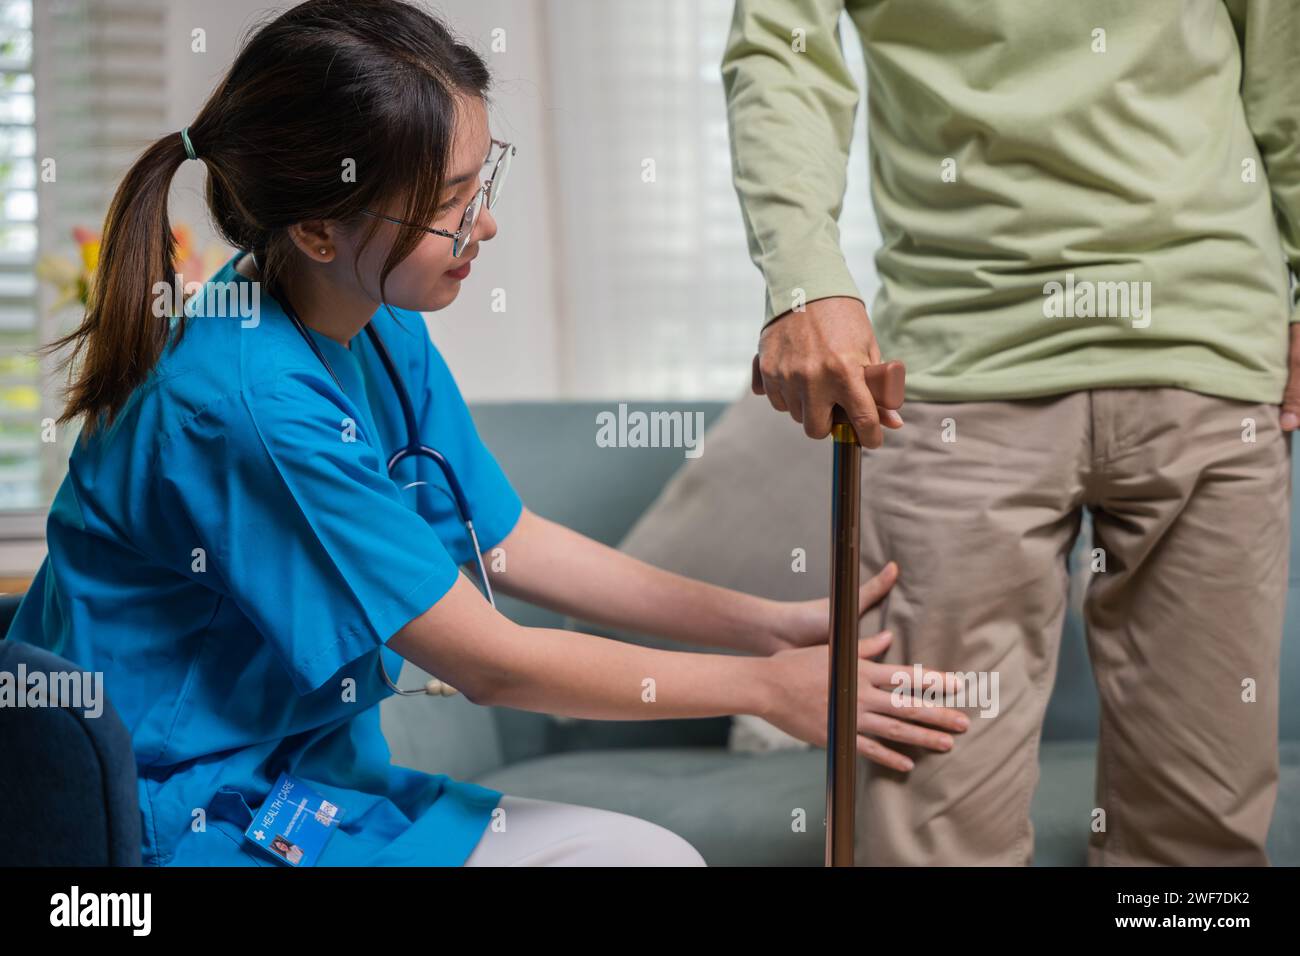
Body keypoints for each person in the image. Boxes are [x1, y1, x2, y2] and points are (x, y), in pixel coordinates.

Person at [7, 0, 969, 867]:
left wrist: (767, 628)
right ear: (316, 231)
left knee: (646, 856)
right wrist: (767, 691)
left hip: (316, 787)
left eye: (481, 183)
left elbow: (504, 541)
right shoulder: (245, 407)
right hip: (184, 821)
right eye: (449, 209)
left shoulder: (372, 319)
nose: (486, 227)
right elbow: (490, 663)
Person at [723, 0, 1298, 865]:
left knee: (1199, 847)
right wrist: (804, 281)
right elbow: (780, 44)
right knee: (930, 828)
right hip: (959, 368)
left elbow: (1284, 61)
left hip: (1206, 347)